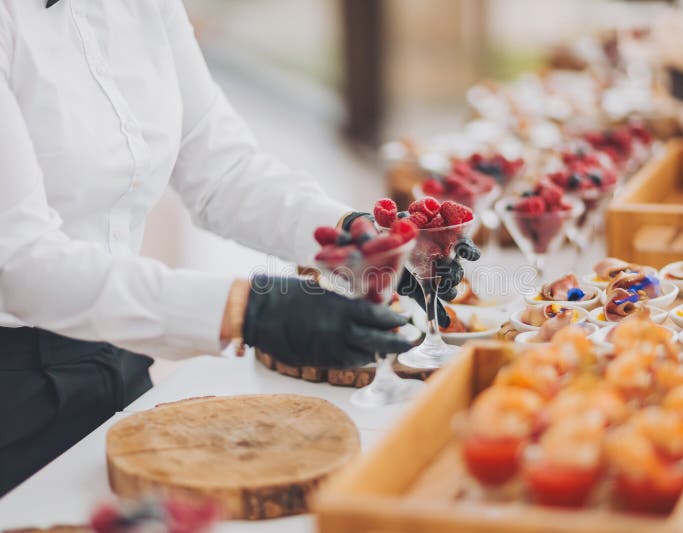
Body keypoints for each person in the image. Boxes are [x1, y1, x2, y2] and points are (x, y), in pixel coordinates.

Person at [0, 0, 477, 495]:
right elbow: (19, 263)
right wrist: (246, 309)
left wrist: (362, 239)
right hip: (15, 401)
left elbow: (222, 169)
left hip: (122, 357)